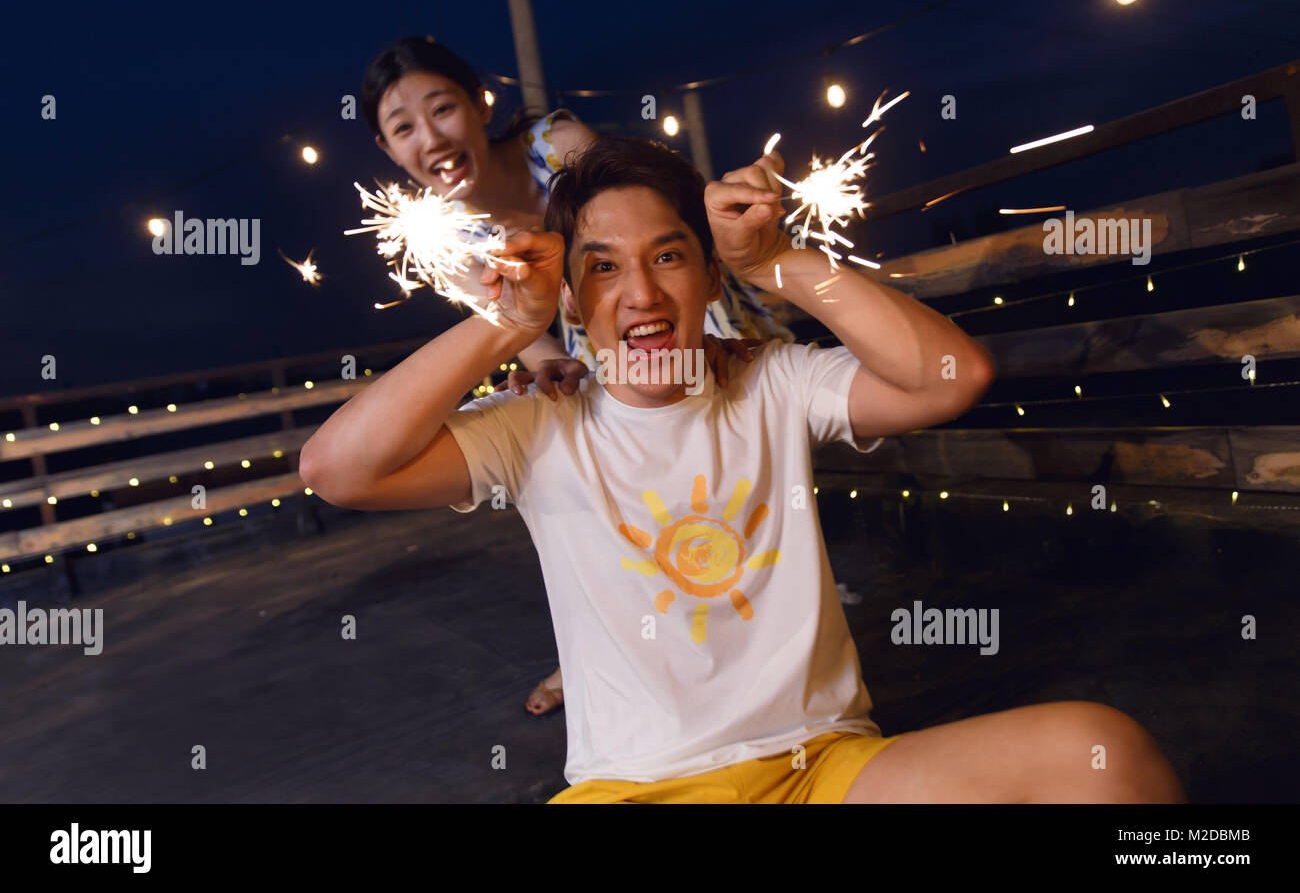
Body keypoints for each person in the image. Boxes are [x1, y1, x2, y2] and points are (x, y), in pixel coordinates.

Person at [300, 136, 1186, 802]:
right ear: (569, 299)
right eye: (602, 269)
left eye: (669, 256)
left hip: (824, 771)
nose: (641, 294)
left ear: (710, 276)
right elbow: (336, 470)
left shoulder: (773, 382)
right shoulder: (538, 428)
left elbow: (952, 378)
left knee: (1099, 751)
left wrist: (775, 261)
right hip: (635, 790)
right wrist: (506, 325)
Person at [361, 36, 789, 714]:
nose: (430, 136)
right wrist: (548, 379)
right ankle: (598, 643)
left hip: (687, 307)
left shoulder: (552, 139)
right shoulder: (446, 244)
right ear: (388, 151)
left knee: (689, 406)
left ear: (480, 104)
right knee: (559, 442)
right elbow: (538, 349)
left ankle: (752, 616)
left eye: (442, 108)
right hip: (597, 345)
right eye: (403, 128)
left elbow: (633, 201)